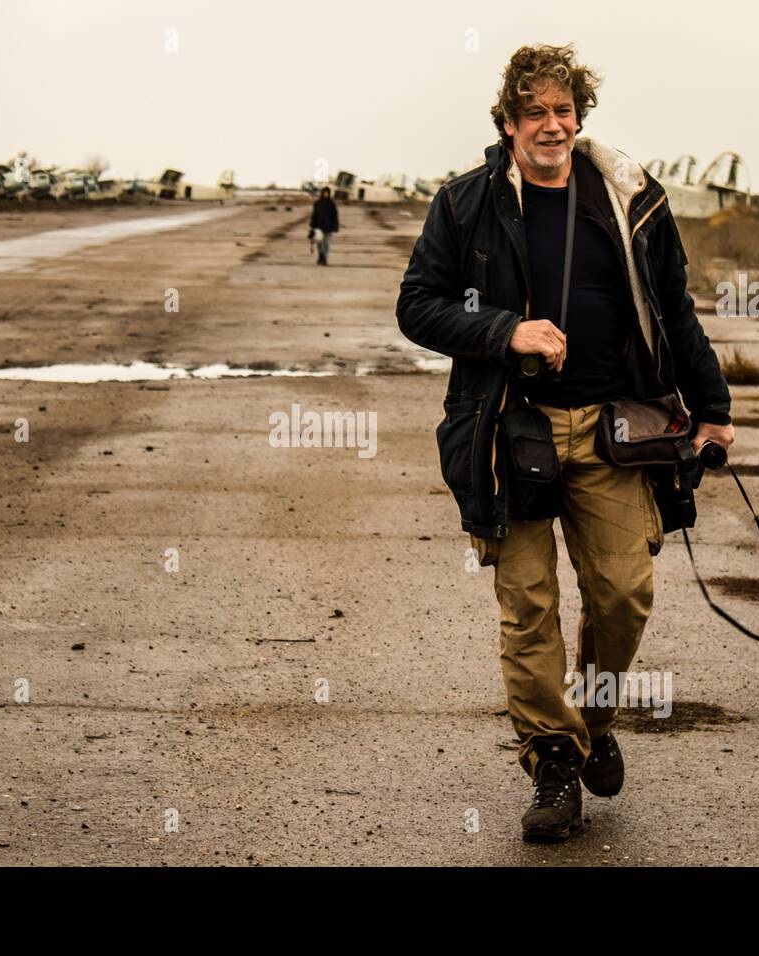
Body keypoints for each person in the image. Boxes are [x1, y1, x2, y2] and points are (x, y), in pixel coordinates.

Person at [395, 43, 735, 843]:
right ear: (508, 123)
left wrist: (712, 406)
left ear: (579, 115)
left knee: (622, 594)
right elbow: (418, 307)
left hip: (613, 431)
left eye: (563, 109)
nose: (552, 125)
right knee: (528, 608)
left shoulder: (628, 198)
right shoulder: (466, 204)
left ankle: (595, 716)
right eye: (535, 112)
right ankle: (553, 760)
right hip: (505, 432)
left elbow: (674, 307)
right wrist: (505, 330)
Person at [309, 186, 340, 265]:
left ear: (329, 194)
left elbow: (335, 216)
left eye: (327, 193)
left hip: (328, 227)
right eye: (324, 193)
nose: (326, 194)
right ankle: (320, 257)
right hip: (318, 226)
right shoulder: (317, 203)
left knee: (325, 243)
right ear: (322, 193)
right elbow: (314, 214)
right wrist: (312, 224)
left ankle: (325, 259)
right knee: (319, 243)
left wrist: (336, 226)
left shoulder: (332, 204)